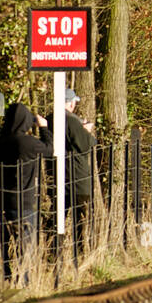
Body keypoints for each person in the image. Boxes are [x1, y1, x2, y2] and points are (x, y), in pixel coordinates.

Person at [0, 102, 52, 282]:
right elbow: (50, 149)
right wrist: (44, 129)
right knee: (25, 244)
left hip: (3, 198)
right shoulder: (29, 143)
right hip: (25, 200)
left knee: (4, 241)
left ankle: (5, 276)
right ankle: (24, 280)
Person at [61, 88, 97, 258]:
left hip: (60, 176)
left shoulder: (51, 118)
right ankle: (80, 255)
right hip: (77, 178)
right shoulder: (72, 121)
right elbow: (85, 144)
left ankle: (56, 252)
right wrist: (86, 131)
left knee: (58, 217)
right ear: (69, 102)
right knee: (81, 220)